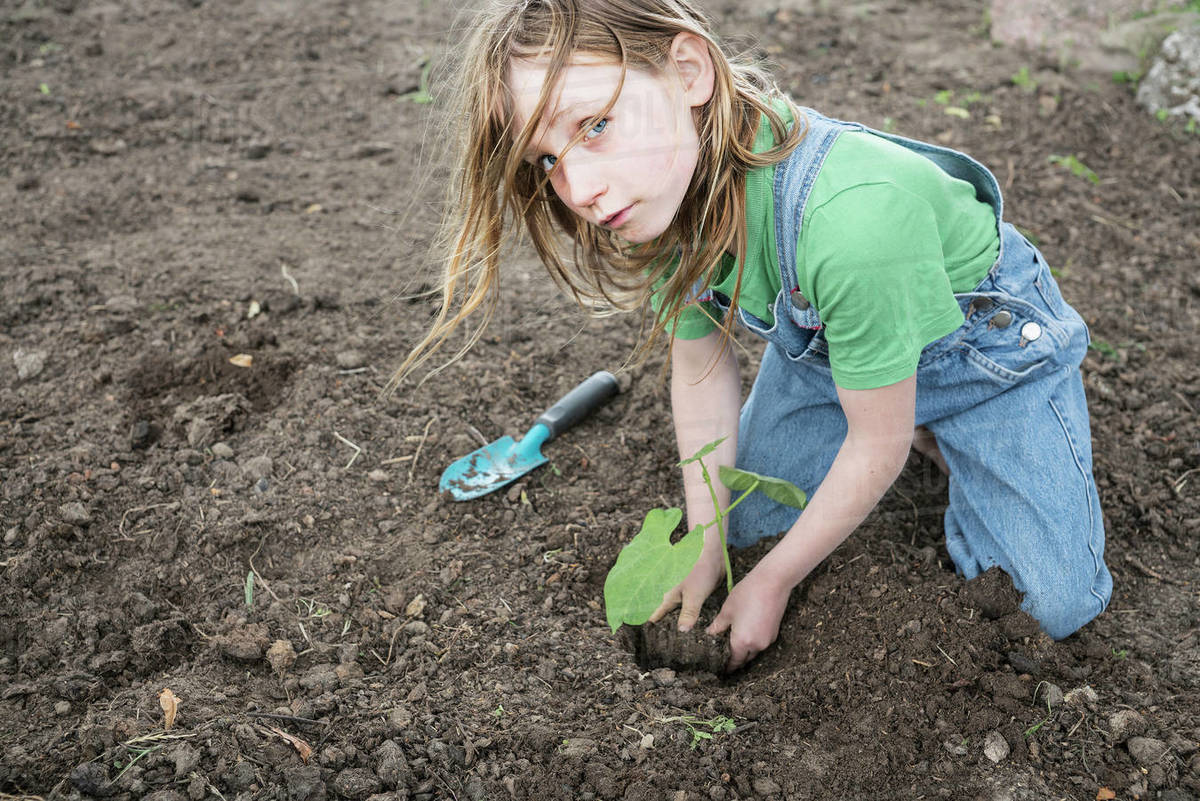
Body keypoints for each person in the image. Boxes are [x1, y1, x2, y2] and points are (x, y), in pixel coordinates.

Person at [392, 0, 1112, 670]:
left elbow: (874, 442)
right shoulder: (661, 199)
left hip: (988, 355)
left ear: (688, 70)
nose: (577, 190)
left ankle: (954, 430)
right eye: (547, 160)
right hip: (836, 354)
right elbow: (700, 369)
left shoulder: (853, 223)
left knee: (1045, 604)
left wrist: (773, 582)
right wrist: (704, 536)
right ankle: (909, 414)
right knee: (745, 530)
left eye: (596, 126)